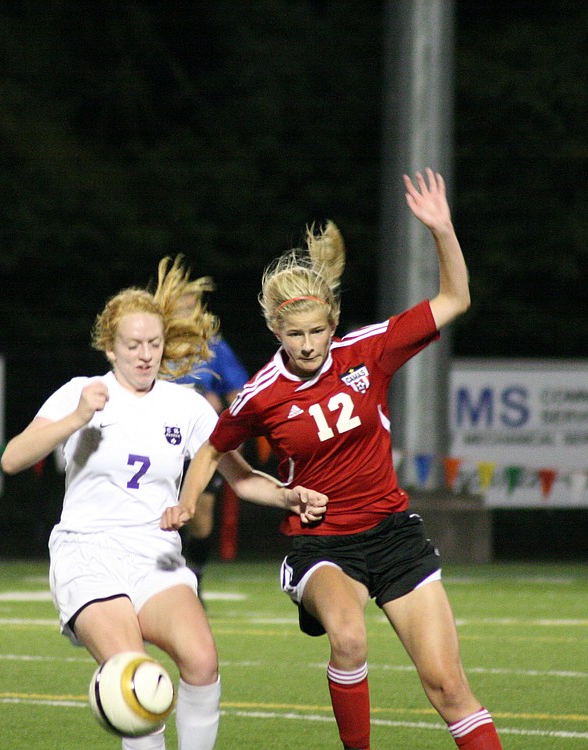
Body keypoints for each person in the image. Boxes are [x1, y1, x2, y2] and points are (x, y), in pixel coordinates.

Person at [164, 170, 504, 750]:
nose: (307, 344)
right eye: (294, 333)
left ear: (333, 323)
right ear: (276, 329)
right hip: (322, 544)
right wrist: (188, 501)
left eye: (317, 330)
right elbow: (214, 449)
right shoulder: (261, 394)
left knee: (448, 686)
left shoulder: (367, 351)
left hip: (394, 534)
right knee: (347, 636)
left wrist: (443, 229)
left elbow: (456, 299)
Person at [0, 255, 327, 750]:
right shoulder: (80, 393)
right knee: (137, 679)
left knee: (201, 660)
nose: (145, 354)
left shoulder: (186, 405)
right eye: (133, 345)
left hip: (155, 554)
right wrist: (74, 420)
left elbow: (240, 479)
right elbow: (12, 459)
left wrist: (287, 495)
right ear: (110, 348)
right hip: (88, 554)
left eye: (153, 343)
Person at [172, 293, 251, 596]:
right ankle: (162, 581)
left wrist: (237, 432)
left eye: (192, 303)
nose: (187, 309)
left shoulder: (212, 344)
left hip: (202, 442)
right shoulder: (152, 340)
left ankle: (195, 580)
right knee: (158, 510)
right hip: (163, 440)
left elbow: (236, 392)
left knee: (201, 516)